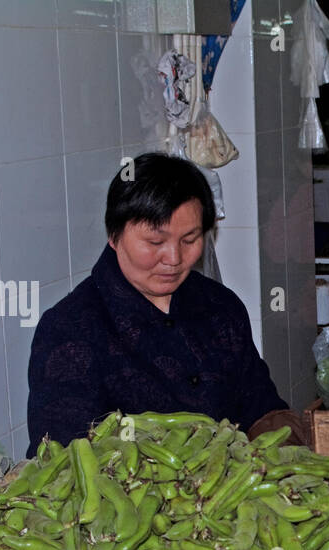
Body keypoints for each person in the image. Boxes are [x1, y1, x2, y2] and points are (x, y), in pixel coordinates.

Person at [25, 153, 303, 459]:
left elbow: (261, 407)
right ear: (114, 236)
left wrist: (283, 456)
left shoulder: (220, 307)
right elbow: (65, 460)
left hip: (234, 494)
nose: (173, 258)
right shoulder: (72, 329)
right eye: (155, 242)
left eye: (190, 239)